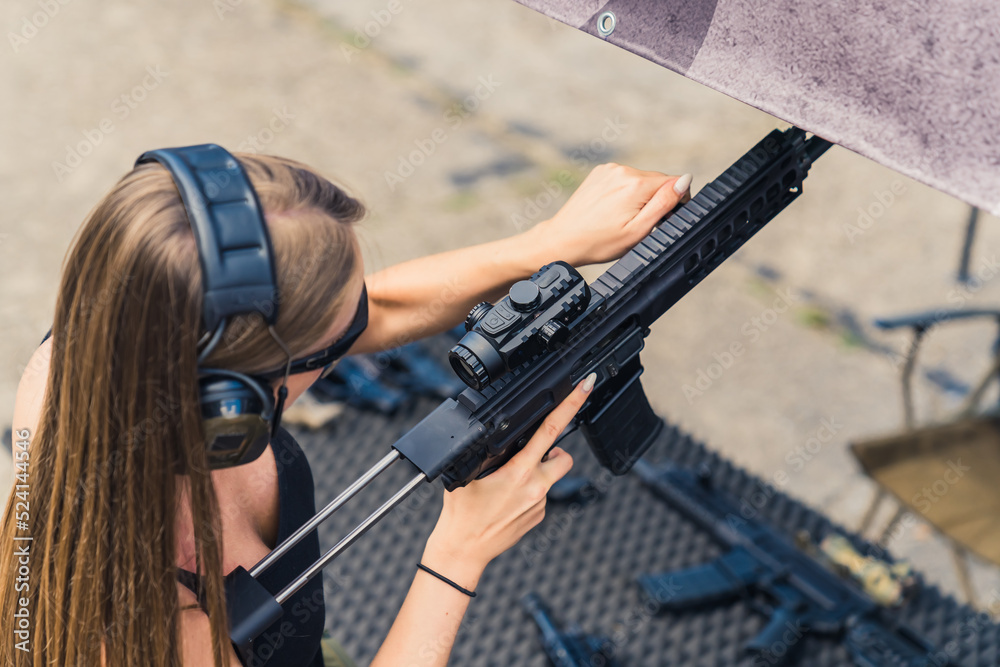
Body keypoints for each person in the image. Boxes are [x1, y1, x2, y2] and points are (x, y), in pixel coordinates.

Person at [0, 150, 691, 666]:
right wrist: (459, 553)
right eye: (336, 340)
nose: (363, 328)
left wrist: (544, 244)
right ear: (234, 398)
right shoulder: (150, 634)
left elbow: (380, 306)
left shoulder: (105, 352)